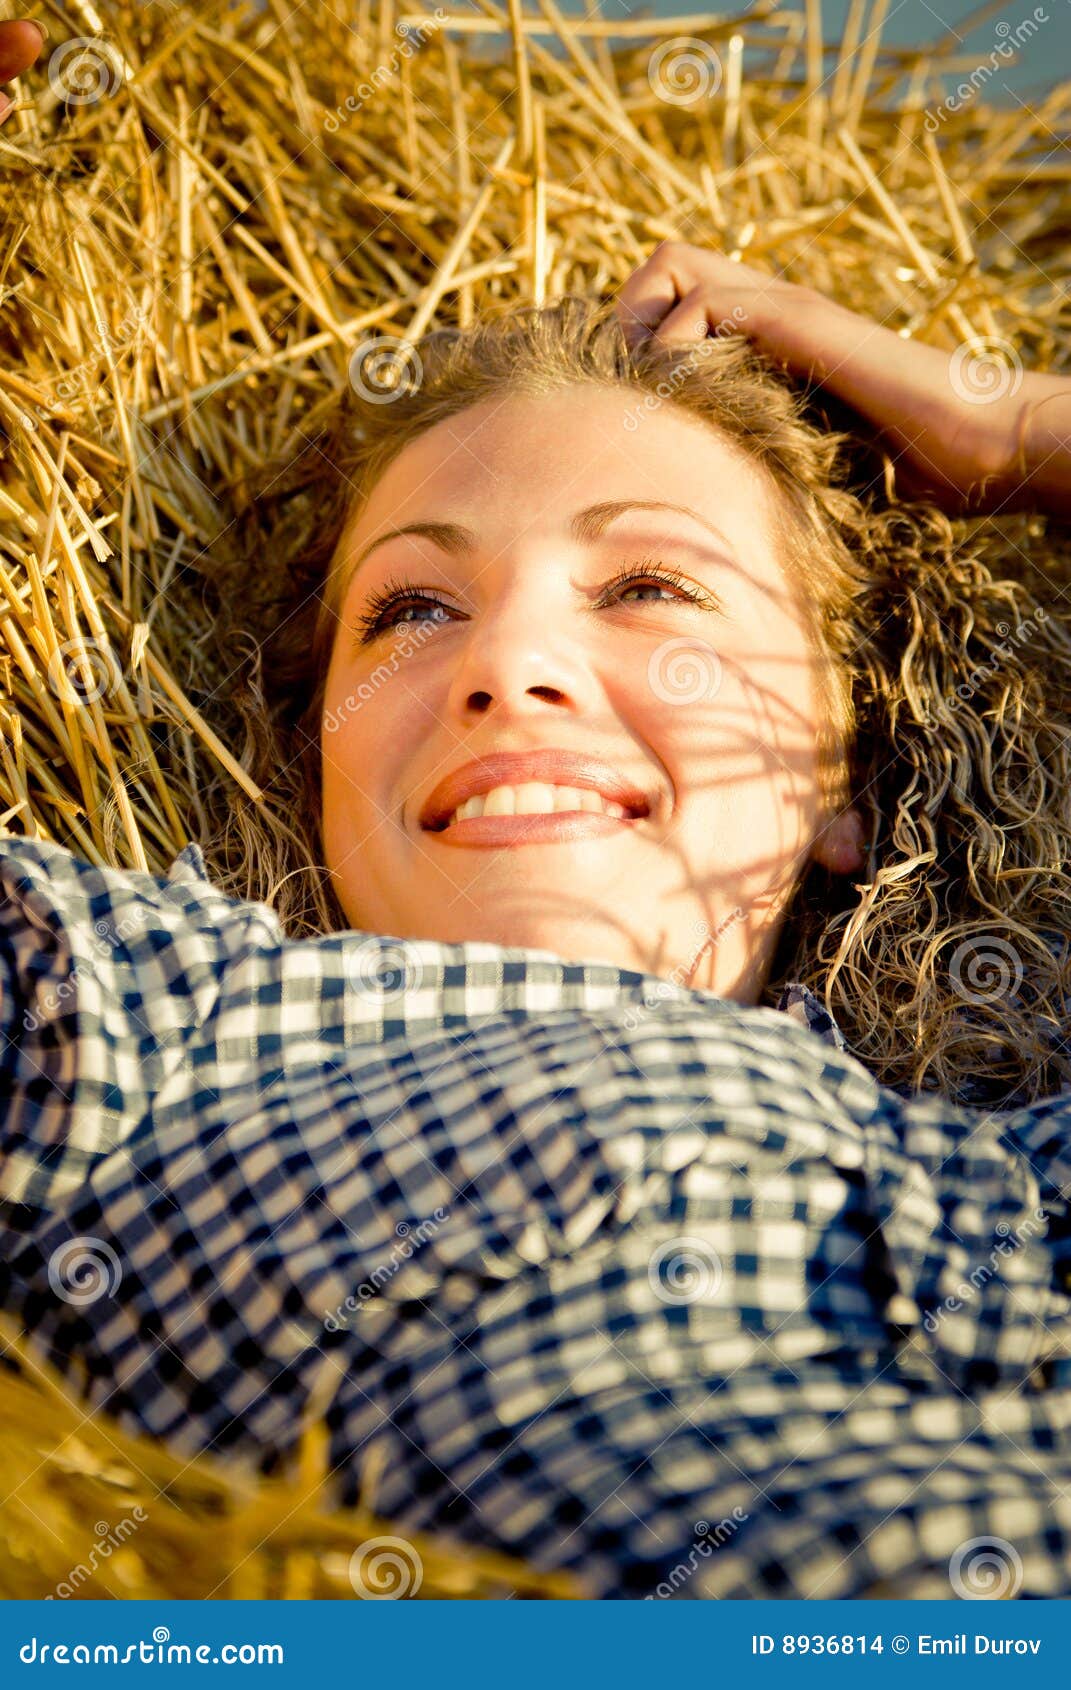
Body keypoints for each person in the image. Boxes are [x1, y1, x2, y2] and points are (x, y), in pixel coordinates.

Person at [3, 18, 1071, 1599]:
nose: (507, 662)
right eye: (411, 613)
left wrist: (1008, 431)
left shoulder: (1021, 1168)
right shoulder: (164, 1018)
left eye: (645, 583)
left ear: (841, 783)